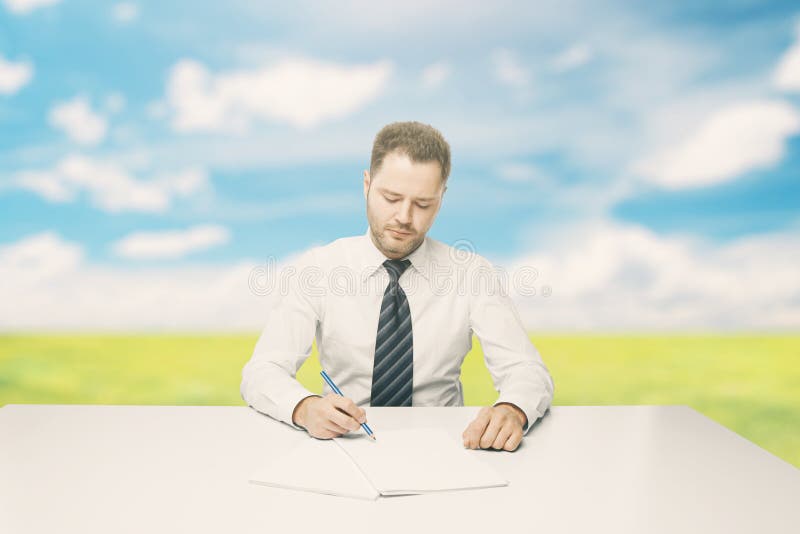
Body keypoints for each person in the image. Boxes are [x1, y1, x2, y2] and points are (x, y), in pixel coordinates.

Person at [241, 121, 553, 451]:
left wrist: (513, 409)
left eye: (422, 204)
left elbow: (526, 369)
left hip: (444, 448)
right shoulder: (318, 269)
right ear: (366, 184)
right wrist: (304, 408)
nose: (404, 217)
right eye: (391, 198)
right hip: (344, 444)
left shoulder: (471, 273)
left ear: (442, 198)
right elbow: (262, 371)